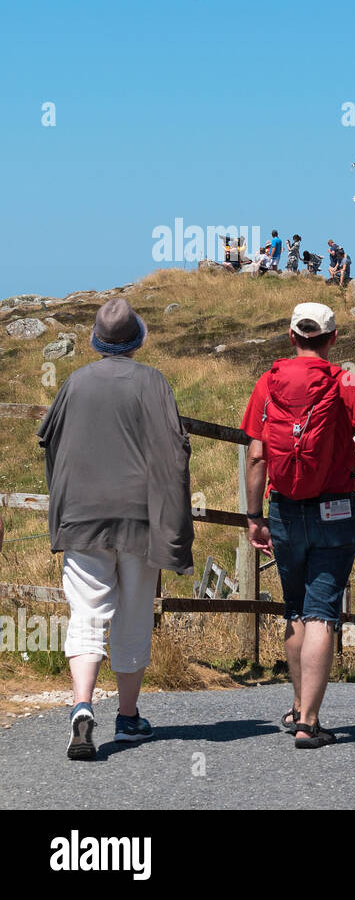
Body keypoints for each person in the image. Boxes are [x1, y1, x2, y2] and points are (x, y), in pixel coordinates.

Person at [38, 299, 194, 760]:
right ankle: (128, 717)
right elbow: (173, 451)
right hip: (141, 517)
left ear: (96, 340)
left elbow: (49, 440)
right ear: (137, 339)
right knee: (133, 611)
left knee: (87, 611)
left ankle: (82, 706)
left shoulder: (75, 382)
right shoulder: (153, 382)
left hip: (83, 516)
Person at [242, 302, 355, 748]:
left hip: (284, 509)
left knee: (294, 611)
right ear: (331, 339)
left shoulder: (268, 382)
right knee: (322, 611)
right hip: (337, 509)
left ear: (291, 337)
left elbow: (255, 455)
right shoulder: (345, 382)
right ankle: (309, 721)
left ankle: (296, 706)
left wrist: (254, 516)